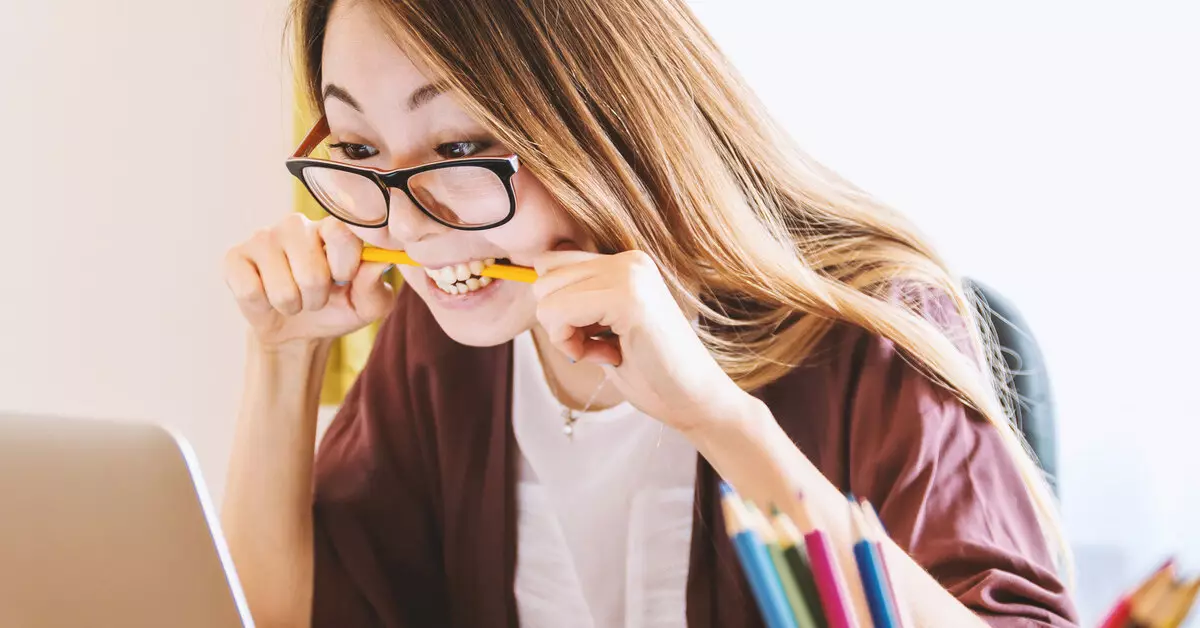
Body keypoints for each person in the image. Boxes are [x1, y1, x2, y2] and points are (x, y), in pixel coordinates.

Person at [220, 0, 1078, 626]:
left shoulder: (869, 328)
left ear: (607, 122)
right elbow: (285, 615)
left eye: (462, 148)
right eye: (361, 150)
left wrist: (716, 417)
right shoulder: (449, 335)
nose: (407, 223)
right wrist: (282, 358)